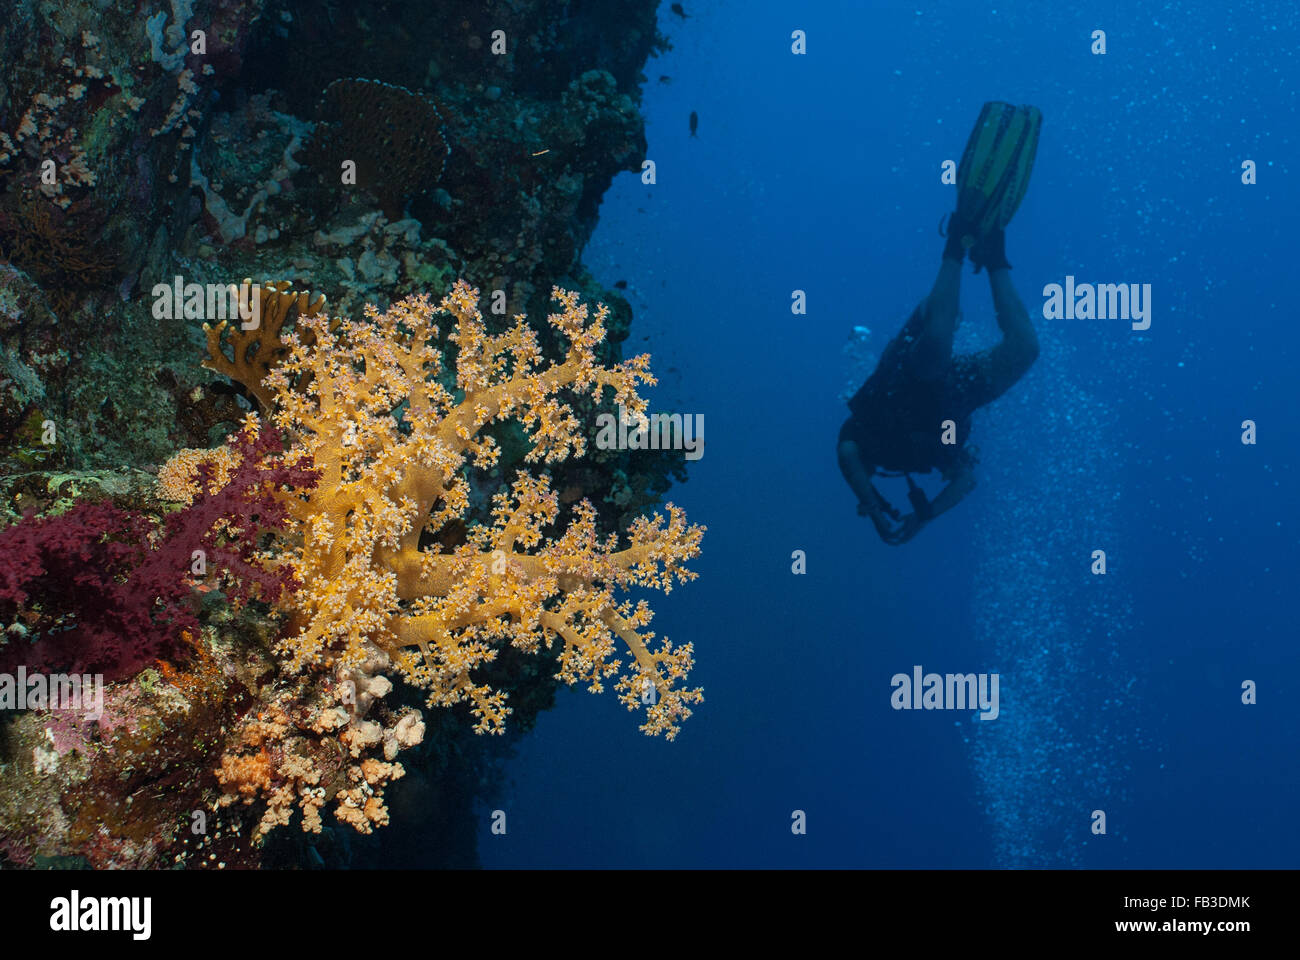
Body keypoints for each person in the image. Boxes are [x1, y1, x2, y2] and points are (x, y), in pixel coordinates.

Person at [838, 103, 1042, 545]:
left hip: (910, 368)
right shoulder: (938, 454)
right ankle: (993, 256)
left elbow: (847, 449)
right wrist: (925, 516)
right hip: (953, 393)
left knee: (937, 341)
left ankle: (957, 239)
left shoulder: (866, 431)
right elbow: (966, 482)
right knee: (1025, 350)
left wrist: (872, 505)